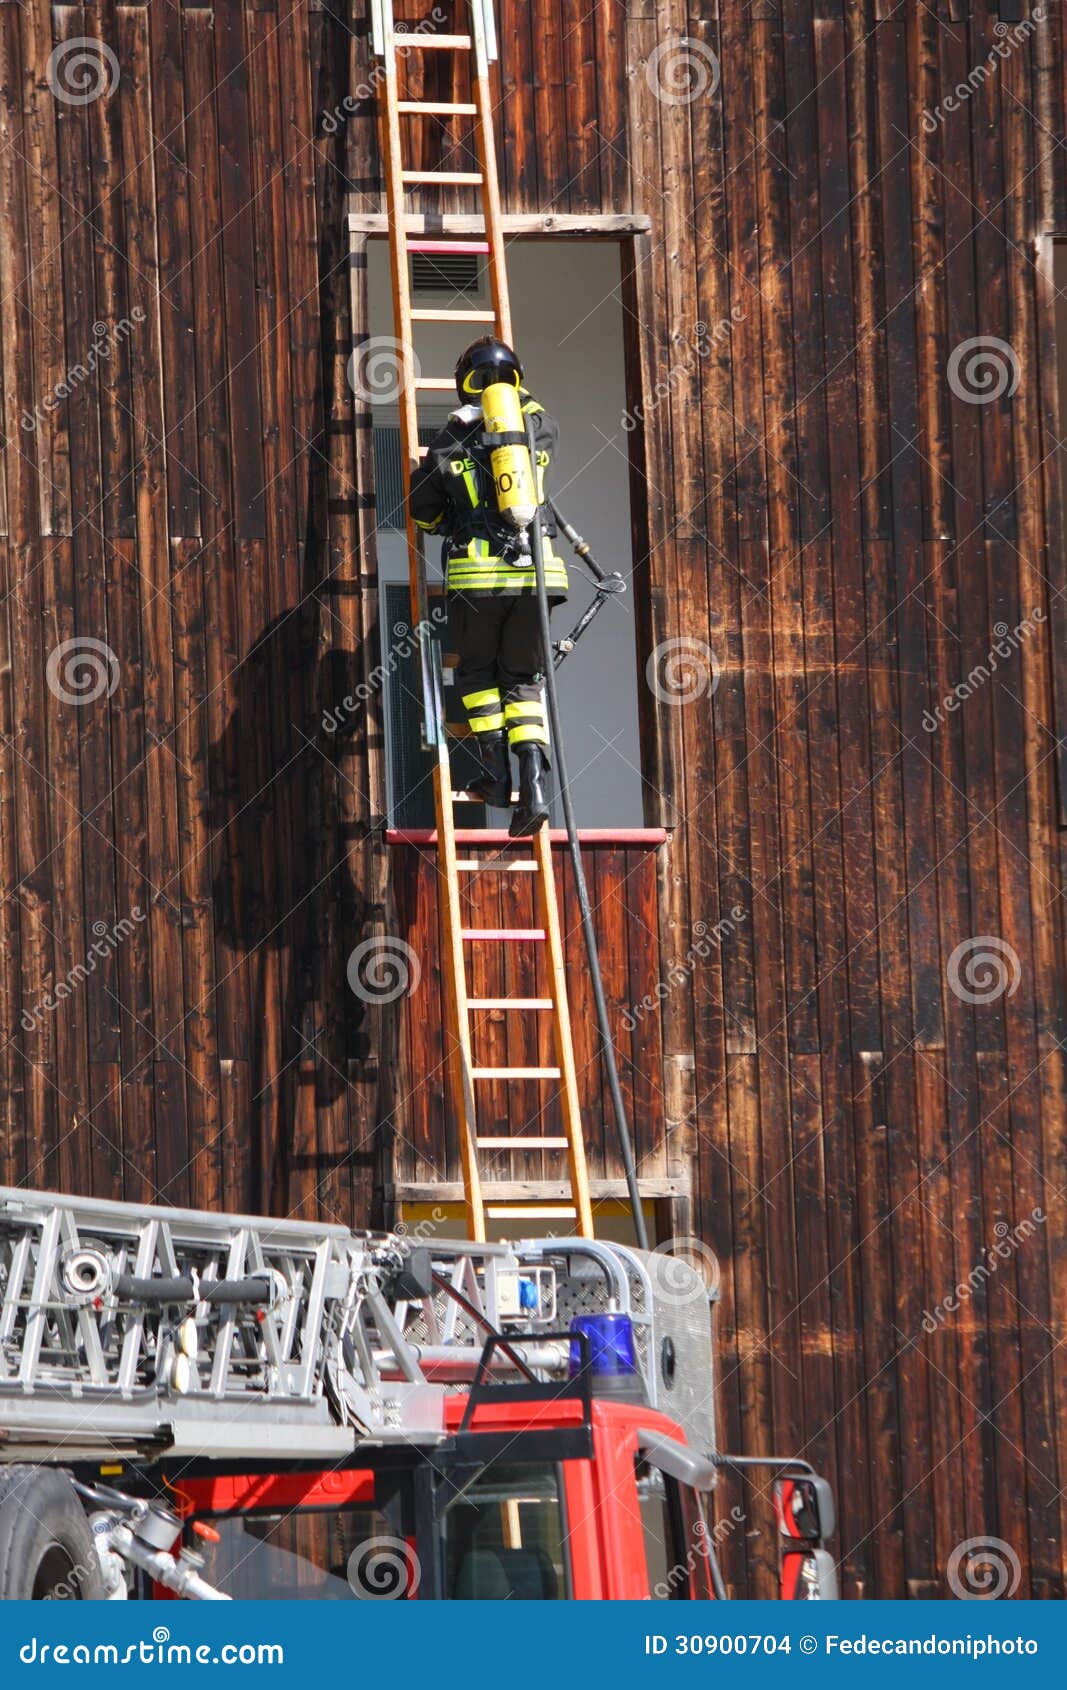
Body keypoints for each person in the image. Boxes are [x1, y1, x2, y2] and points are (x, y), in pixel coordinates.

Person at [409, 337, 567, 836]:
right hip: (538, 577)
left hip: (478, 581)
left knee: (477, 674)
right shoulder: (539, 429)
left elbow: (422, 508)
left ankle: (496, 778)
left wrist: (450, 435)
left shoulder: (453, 441)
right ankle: (535, 786)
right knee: (523, 681)